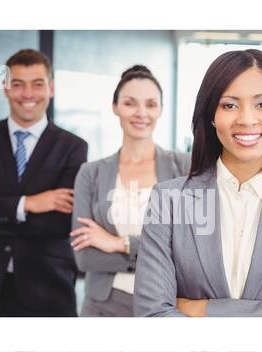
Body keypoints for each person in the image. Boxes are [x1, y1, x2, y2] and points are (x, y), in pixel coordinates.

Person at [134, 49, 262, 317]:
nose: (246, 119)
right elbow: (151, 315)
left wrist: (202, 308)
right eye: (229, 105)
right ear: (212, 115)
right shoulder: (169, 200)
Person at [71, 65, 189, 317]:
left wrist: (117, 243)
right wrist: (155, 255)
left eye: (150, 104)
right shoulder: (90, 174)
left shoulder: (184, 167)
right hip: (103, 304)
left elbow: (188, 248)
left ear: (160, 109)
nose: (141, 113)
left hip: (167, 302)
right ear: (115, 107)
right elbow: (85, 258)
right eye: (130, 103)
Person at [0, 49, 88, 317]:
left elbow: (60, 220)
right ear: (5, 87)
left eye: (37, 84)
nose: (27, 95)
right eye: (18, 84)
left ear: (51, 88)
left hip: (48, 285)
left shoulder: (73, 147)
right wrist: (30, 203)